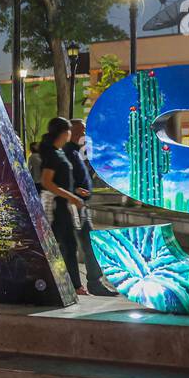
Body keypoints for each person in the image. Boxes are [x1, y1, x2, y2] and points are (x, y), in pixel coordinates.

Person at [64, 119, 115, 295]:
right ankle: (91, 282)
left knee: (85, 244)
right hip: (73, 206)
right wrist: (74, 190)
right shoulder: (67, 152)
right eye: (83, 129)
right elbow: (58, 180)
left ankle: (90, 282)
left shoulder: (77, 151)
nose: (85, 132)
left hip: (80, 205)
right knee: (84, 244)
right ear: (72, 131)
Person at [38, 117, 85, 295]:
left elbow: (59, 180)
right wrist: (70, 196)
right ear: (65, 133)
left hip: (63, 205)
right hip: (57, 208)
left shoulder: (58, 152)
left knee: (63, 245)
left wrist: (74, 191)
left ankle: (68, 284)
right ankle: (74, 285)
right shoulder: (52, 153)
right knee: (66, 245)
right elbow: (47, 182)